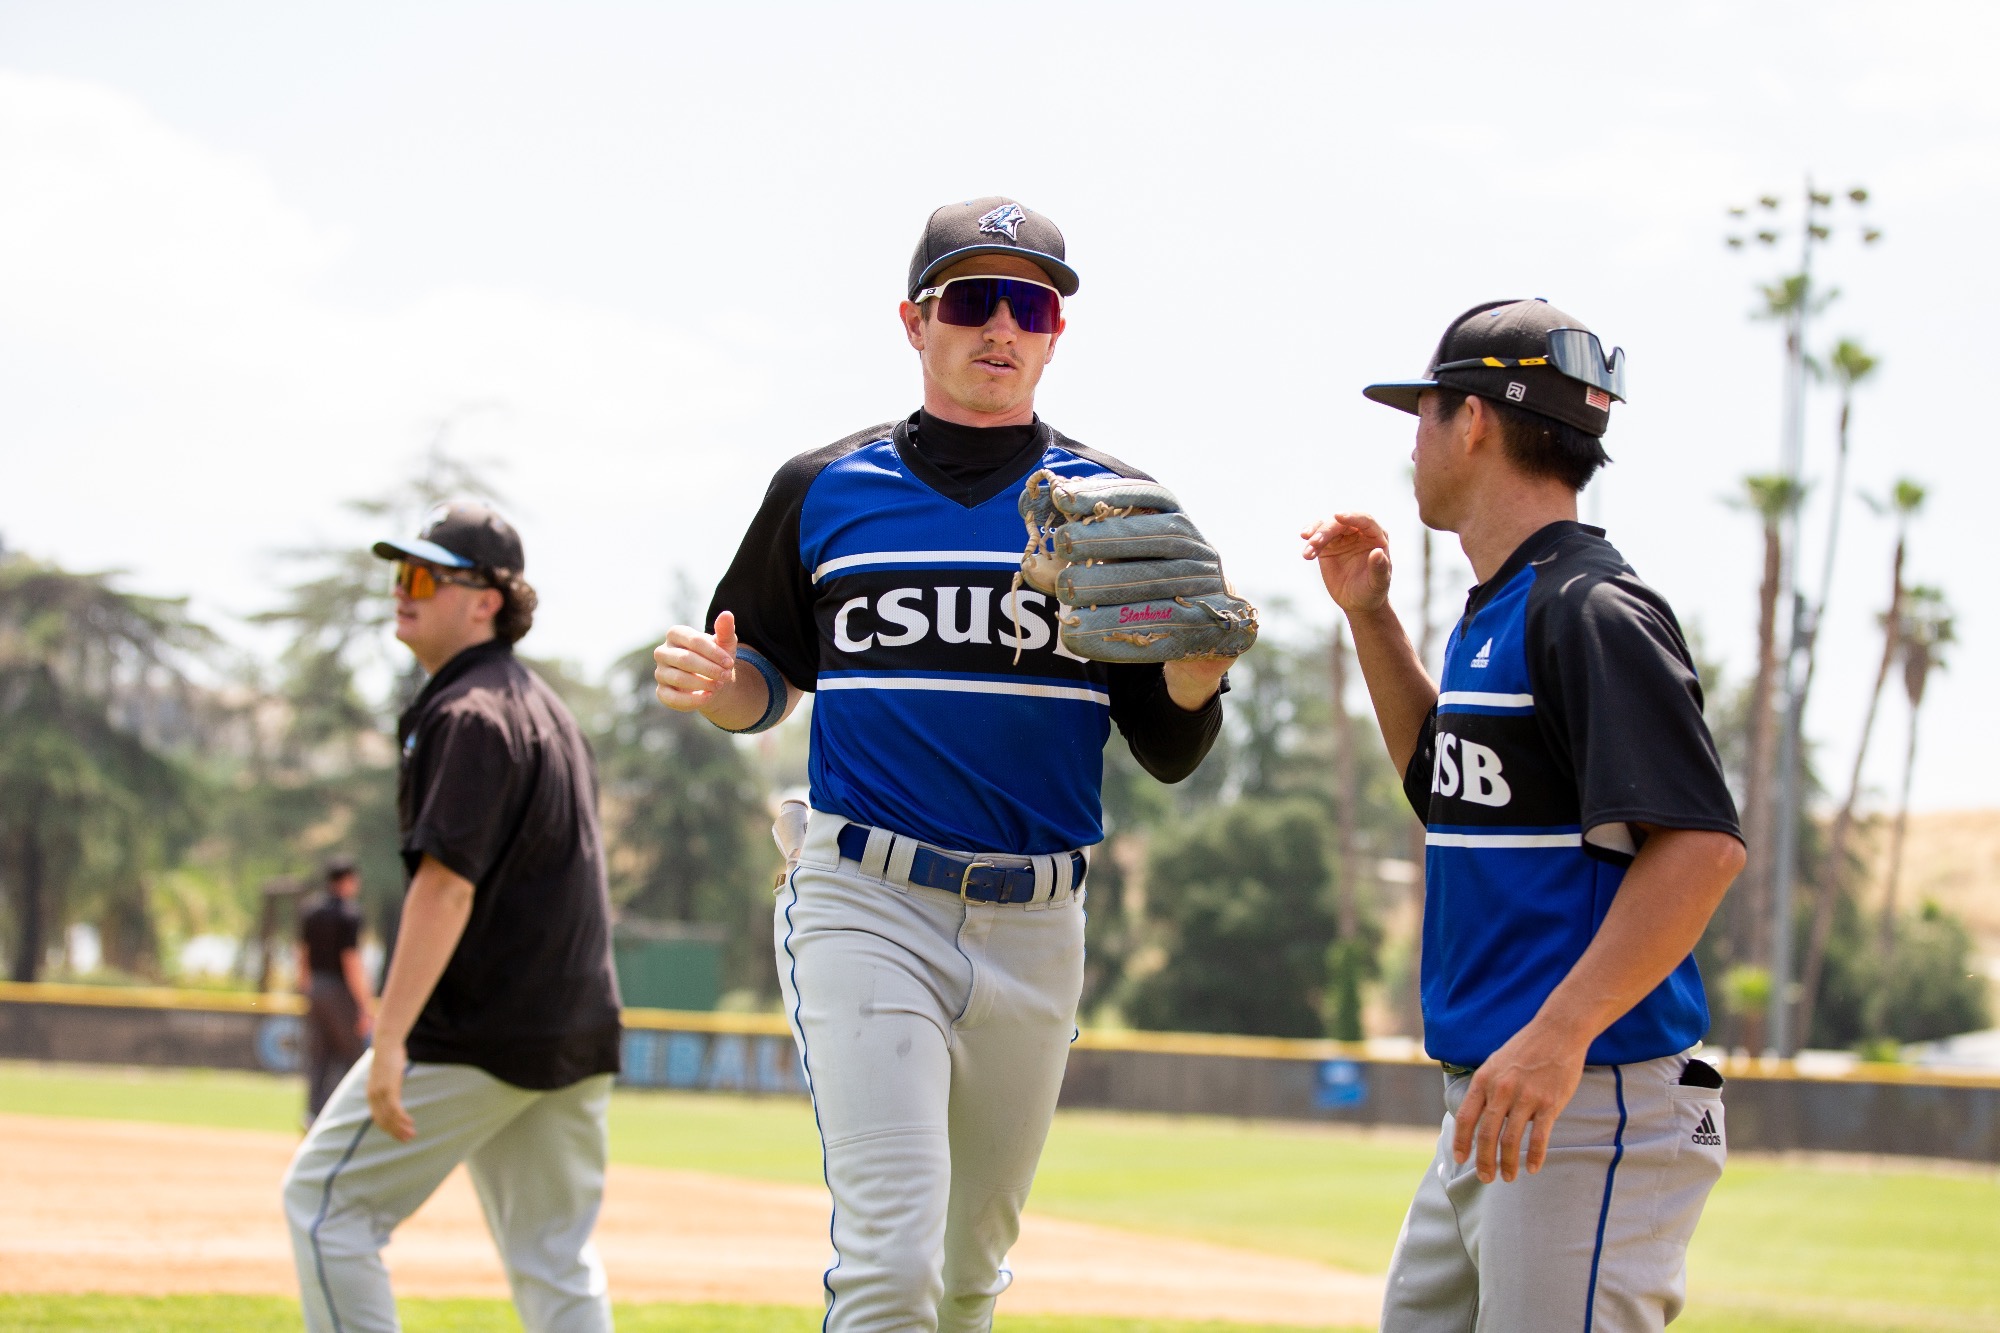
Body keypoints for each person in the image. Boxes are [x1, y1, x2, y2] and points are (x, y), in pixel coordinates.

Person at [652, 196, 1239, 1333]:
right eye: (972, 299)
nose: (1001, 326)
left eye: (1031, 302)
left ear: (1057, 330)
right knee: (888, 1264)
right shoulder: (822, 488)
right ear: (915, 320)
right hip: (864, 897)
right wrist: (729, 692)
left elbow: (1166, 747)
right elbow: (764, 668)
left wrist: (1198, 671)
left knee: (969, 1274)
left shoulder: (1117, 508)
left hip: (1038, 920)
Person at [1303, 299, 1748, 1331]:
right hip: (1497, 1099)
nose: (1409, 444)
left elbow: (1702, 848)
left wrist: (1556, 1036)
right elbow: (1443, 785)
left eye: (1421, 414)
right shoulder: (1502, 605)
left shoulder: (1587, 608)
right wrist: (1369, 617)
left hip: (1583, 1097)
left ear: (1472, 422)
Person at [281, 503, 623, 1333]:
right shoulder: (542, 707)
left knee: (326, 1210)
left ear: (486, 600)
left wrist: (390, 1037)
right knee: (555, 1262)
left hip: (479, 1025)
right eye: (400, 574)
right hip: (573, 1025)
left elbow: (446, 888)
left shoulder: (468, 712)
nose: (404, 590)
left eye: (426, 575)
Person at [296, 855, 373, 1124]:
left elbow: (302, 955)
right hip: (339, 989)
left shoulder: (311, 911)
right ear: (348, 881)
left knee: (318, 1056)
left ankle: (313, 1116)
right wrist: (364, 1005)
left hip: (315, 987)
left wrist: (308, 990)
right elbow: (350, 962)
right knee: (352, 1054)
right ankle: (346, 1117)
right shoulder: (349, 914)